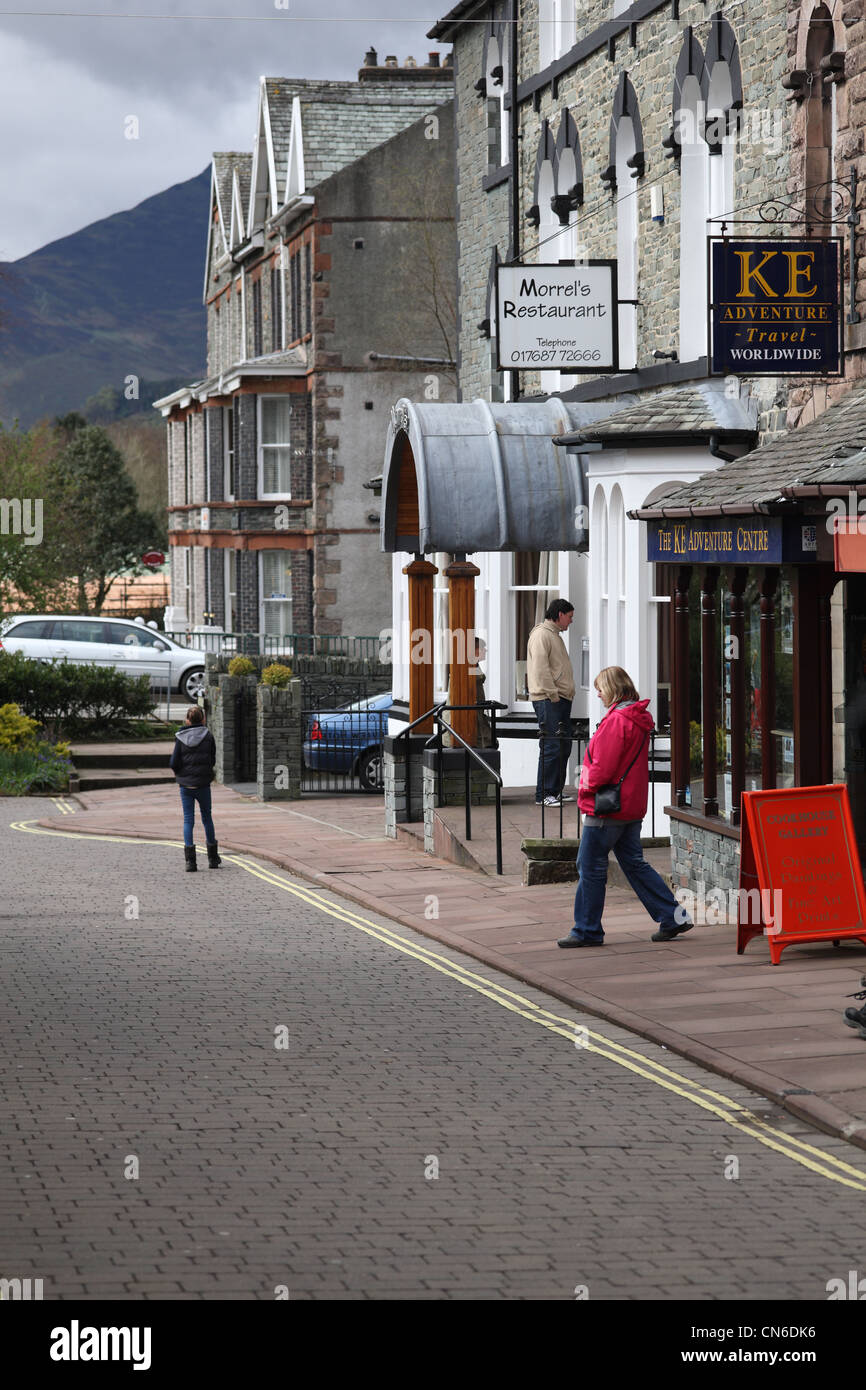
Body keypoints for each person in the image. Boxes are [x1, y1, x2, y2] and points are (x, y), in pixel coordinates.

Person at [558, 665, 692, 947]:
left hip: (608, 808)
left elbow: (603, 768)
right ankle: (674, 916)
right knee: (634, 863)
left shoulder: (618, 721)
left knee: (590, 865)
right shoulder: (638, 718)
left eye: (600, 689)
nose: (597, 694)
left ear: (614, 689)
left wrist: (584, 785)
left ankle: (586, 930)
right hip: (630, 805)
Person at [527, 598, 575, 806]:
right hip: (548, 700)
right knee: (552, 746)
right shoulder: (541, 635)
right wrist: (553, 694)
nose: (571, 621)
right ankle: (544, 794)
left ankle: (555, 791)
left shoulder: (554, 635)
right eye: (570, 617)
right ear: (560, 614)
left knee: (563, 746)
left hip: (559, 699)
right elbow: (540, 668)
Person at [169, 705, 221, 871]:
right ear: (203, 719)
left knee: (188, 819)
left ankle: (190, 862)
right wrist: (205, 772)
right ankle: (213, 858)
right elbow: (212, 759)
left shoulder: (180, 737)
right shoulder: (208, 736)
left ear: (188, 720)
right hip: (203, 784)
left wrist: (181, 775)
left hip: (186, 785)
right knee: (207, 818)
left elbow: (173, 762)